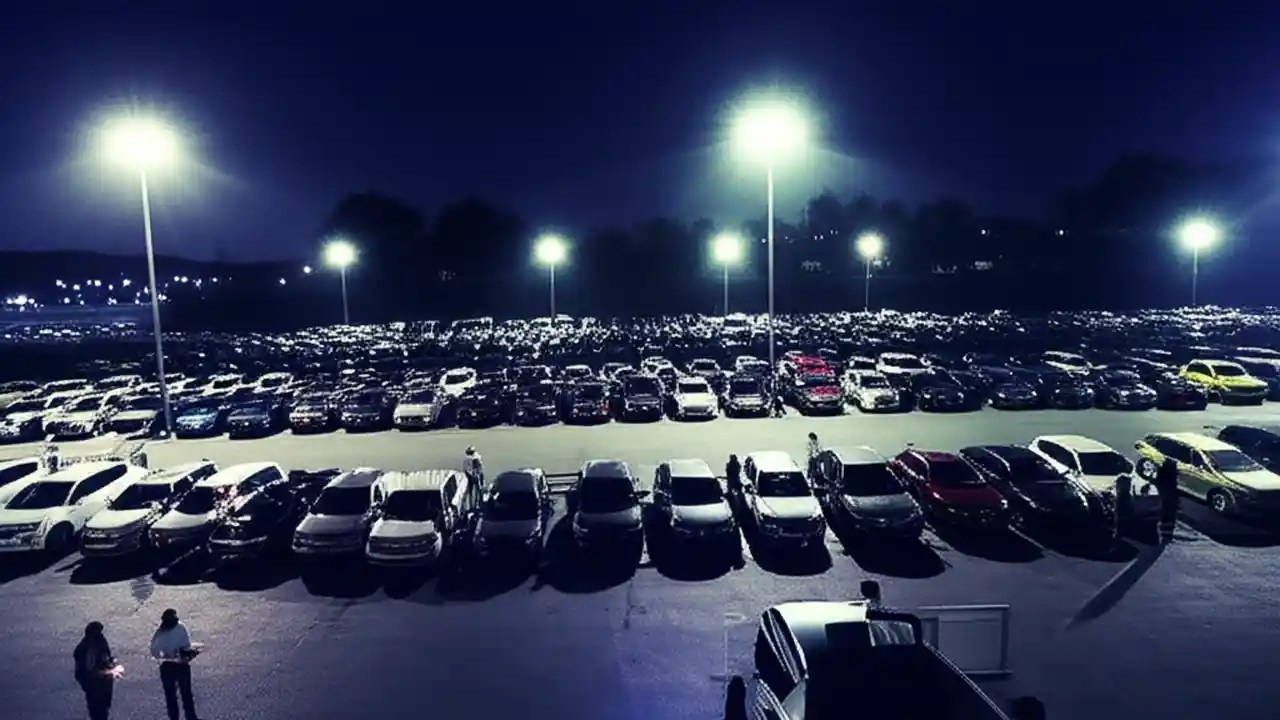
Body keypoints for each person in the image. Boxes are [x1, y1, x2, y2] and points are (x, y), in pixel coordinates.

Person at [150, 608, 199, 720]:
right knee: (185, 695)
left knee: (171, 696)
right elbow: (187, 645)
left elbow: (153, 650)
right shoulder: (181, 628)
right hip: (180, 665)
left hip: (167, 666)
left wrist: (164, 655)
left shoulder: (161, 631)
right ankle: (190, 717)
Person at [73, 621, 117, 720]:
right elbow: (89, 669)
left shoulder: (95, 643)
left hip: (100, 684)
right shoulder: (90, 646)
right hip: (96, 685)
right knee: (98, 711)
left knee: (100, 711)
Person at [1154, 457, 1180, 545]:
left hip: (1164, 499)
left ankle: (1165, 536)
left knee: (1165, 518)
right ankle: (1167, 536)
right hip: (1169, 500)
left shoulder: (1163, 474)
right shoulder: (1172, 475)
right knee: (1169, 518)